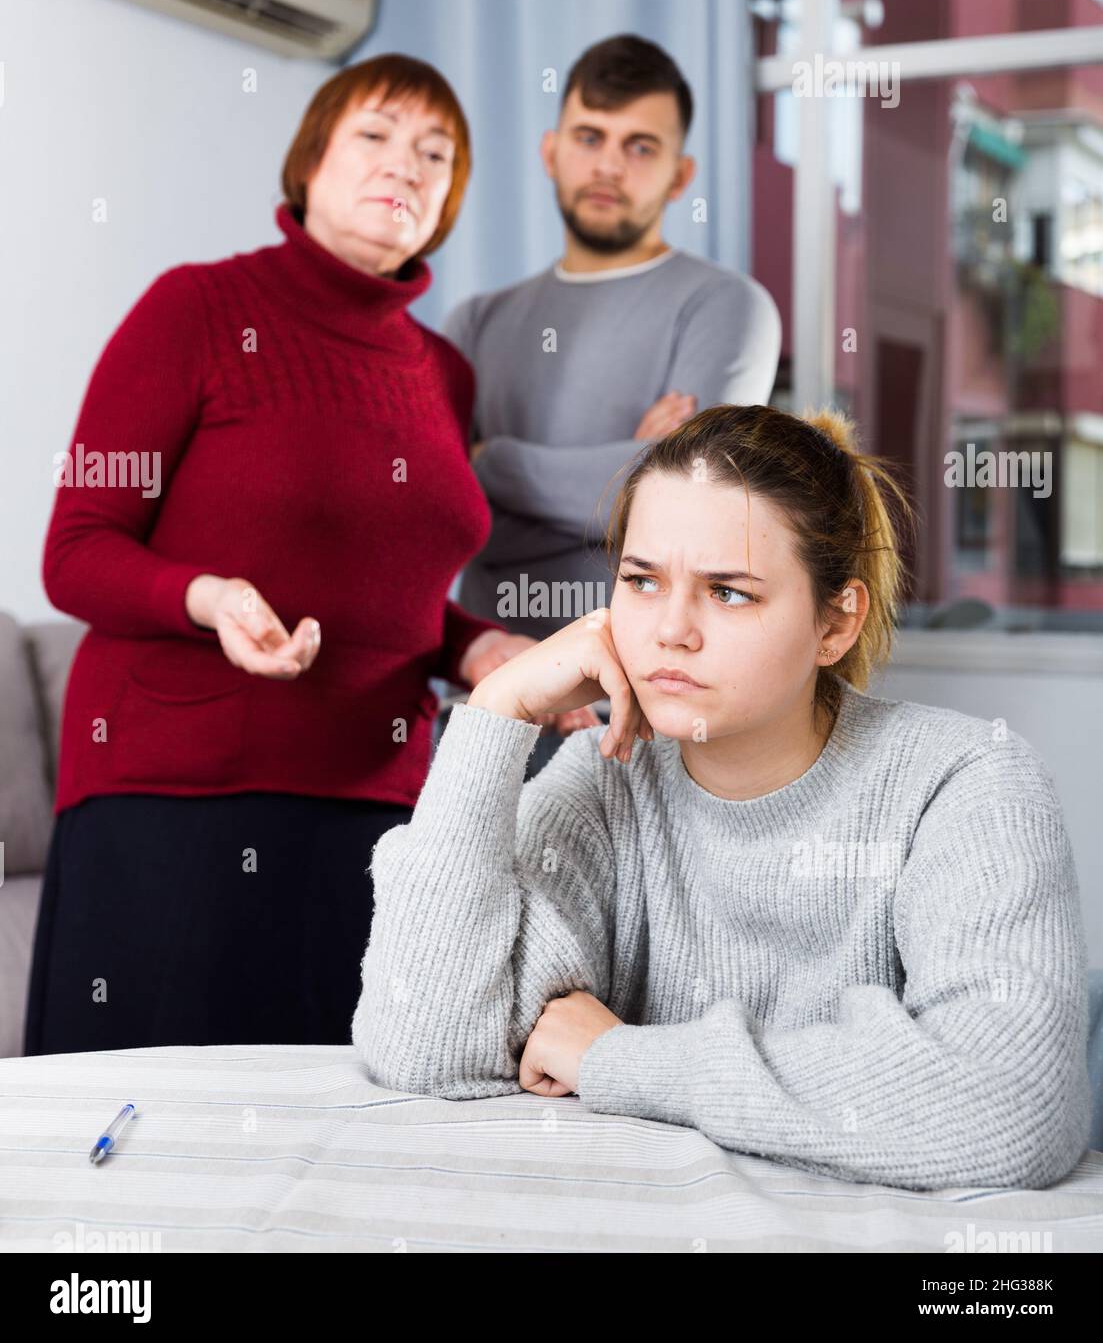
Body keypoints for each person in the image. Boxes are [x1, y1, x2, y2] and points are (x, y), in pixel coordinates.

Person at [352, 403, 1092, 1191]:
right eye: (641, 581)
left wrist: (617, 1058)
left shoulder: (967, 782)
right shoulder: (603, 775)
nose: (671, 630)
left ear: (835, 624)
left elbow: (1012, 1108)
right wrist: (496, 714)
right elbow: (423, 1047)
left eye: (728, 593)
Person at [25, 54, 548, 1056]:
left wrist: (473, 649)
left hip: (382, 808)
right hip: (179, 798)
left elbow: (385, 594)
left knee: (331, 1141)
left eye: (434, 153)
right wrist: (209, 597)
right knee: (166, 1139)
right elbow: (76, 551)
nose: (406, 165)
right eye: (375, 136)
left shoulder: (442, 372)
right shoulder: (194, 309)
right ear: (309, 162)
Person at [442, 33, 782, 774]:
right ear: (549, 151)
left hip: (639, 724)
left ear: (678, 173)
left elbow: (688, 514)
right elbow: (449, 522)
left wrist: (489, 463)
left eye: (638, 146)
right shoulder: (473, 321)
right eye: (589, 137)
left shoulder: (726, 308)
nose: (606, 165)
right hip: (485, 713)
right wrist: (629, 474)